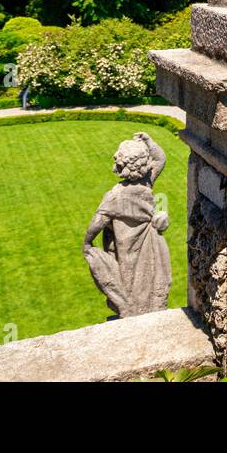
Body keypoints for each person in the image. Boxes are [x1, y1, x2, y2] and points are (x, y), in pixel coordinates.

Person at [82, 133, 172, 318]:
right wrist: (149, 141)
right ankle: (148, 313)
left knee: (132, 283)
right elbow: (160, 158)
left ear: (121, 166)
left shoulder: (115, 196)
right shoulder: (147, 181)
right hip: (152, 243)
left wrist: (87, 242)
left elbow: (97, 222)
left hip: (128, 250)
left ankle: (135, 314)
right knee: (151, 277)